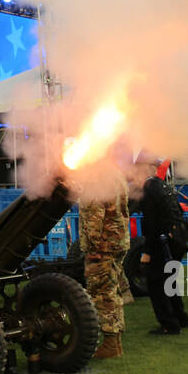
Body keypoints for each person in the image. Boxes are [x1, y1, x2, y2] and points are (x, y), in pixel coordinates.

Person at [78, 151, 130, 358]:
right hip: (117, 241)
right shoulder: (116, 175)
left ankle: (110, 343)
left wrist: (93, 249)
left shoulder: (96, 179)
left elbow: (94, 216)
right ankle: (114, 342)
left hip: (103, 247)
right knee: (112, 292)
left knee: (102, 295)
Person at [137, 164, 188, 335]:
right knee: (170, 281)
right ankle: (181, 318)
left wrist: (147, 251)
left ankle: (169, 324)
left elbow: (151, 222)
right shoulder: (162, 185)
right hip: (178, 236)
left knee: (156, 283)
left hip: (165, 241)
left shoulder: (148, 188)